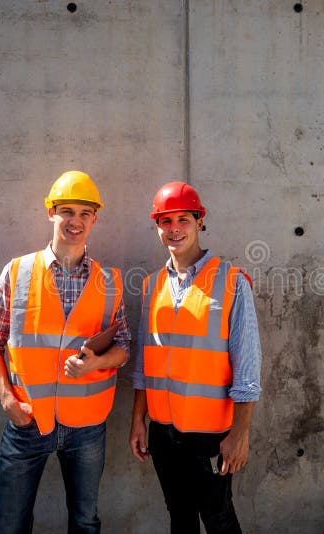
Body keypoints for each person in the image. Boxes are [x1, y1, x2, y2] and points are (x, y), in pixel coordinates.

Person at [0, 170, 130, 534]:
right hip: (27, 420)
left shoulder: (109, 282)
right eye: (66, 211)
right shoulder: (18, 272)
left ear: (95, 218)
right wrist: (6, 399)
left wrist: (99, 361)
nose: (74, 221)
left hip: (88, 426)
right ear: (51, 213)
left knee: (85, 523)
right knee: (11, 525)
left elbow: (123, 344)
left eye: (83, 213)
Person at [129, 182, 262, 534]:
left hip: (211, 435)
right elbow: (145, 366)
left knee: (219, 519)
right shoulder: (152, 285)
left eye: (183, 219)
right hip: (163, 433)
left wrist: (240, 434)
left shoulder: (232, 282)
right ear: (158, 227)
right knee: (179, 518)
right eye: (165, 221)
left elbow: (247, 367)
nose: (174, 229)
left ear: (199, 221)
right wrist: (138, 420)